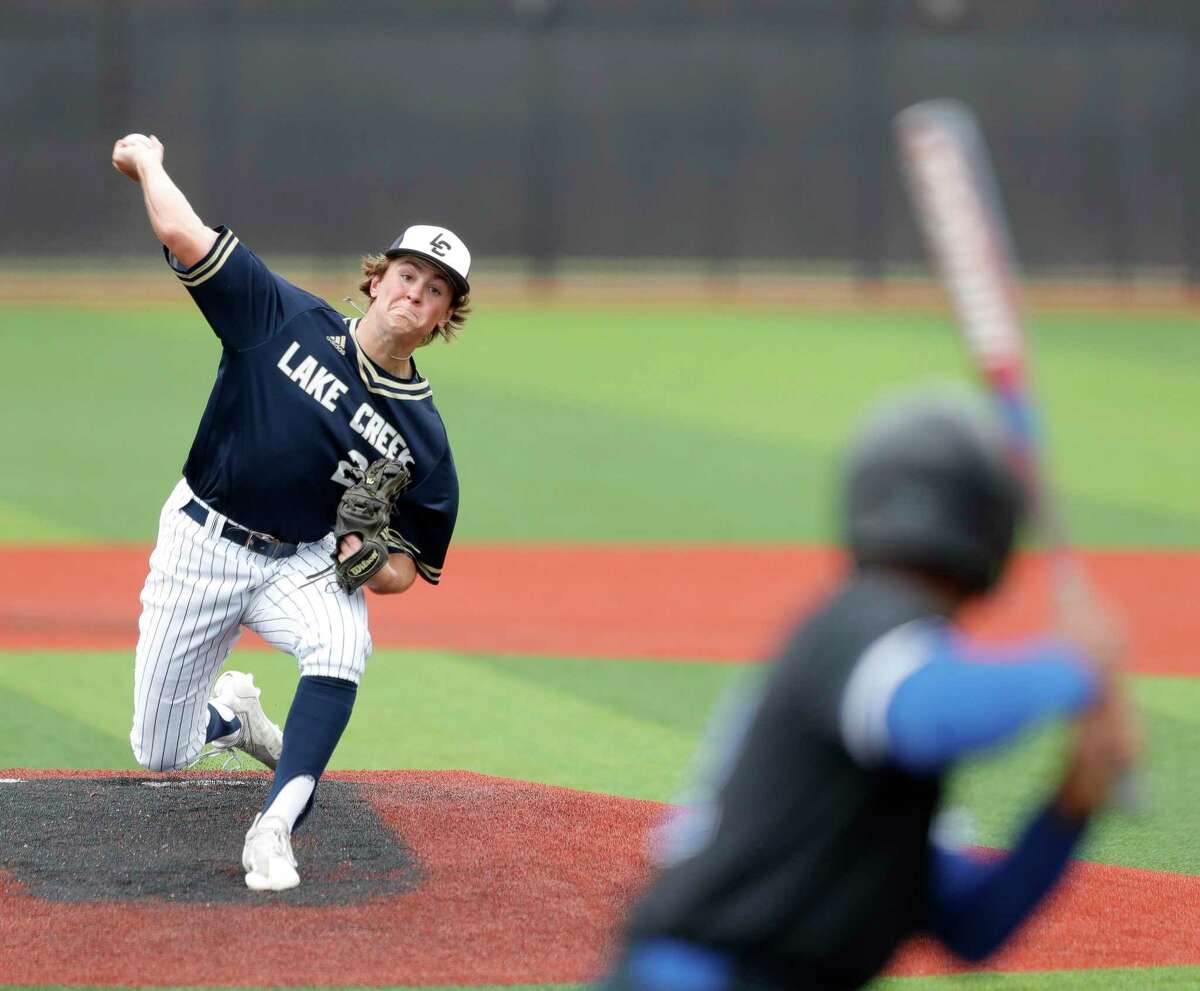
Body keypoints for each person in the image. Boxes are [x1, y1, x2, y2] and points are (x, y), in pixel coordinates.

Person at [604, 388, 1140, 991]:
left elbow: (973, 925)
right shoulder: (857, 625)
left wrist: (1072, 801)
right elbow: (931, 716)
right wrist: (1071, 664)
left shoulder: (884, 683)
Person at [112, 132, 468, 891]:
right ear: (377, 279)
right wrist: (148, 162)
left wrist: (373, 564)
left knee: (343, 644)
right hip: (202, 542)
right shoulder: (282, 315)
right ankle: (233, 719)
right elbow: (182, 233)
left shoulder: (424, 439)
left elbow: (408, 567)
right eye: (408, 275)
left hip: (302, 560)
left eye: (436, 290)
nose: (415, 294)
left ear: (445, 318)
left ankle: (275, 826)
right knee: (161, 751)